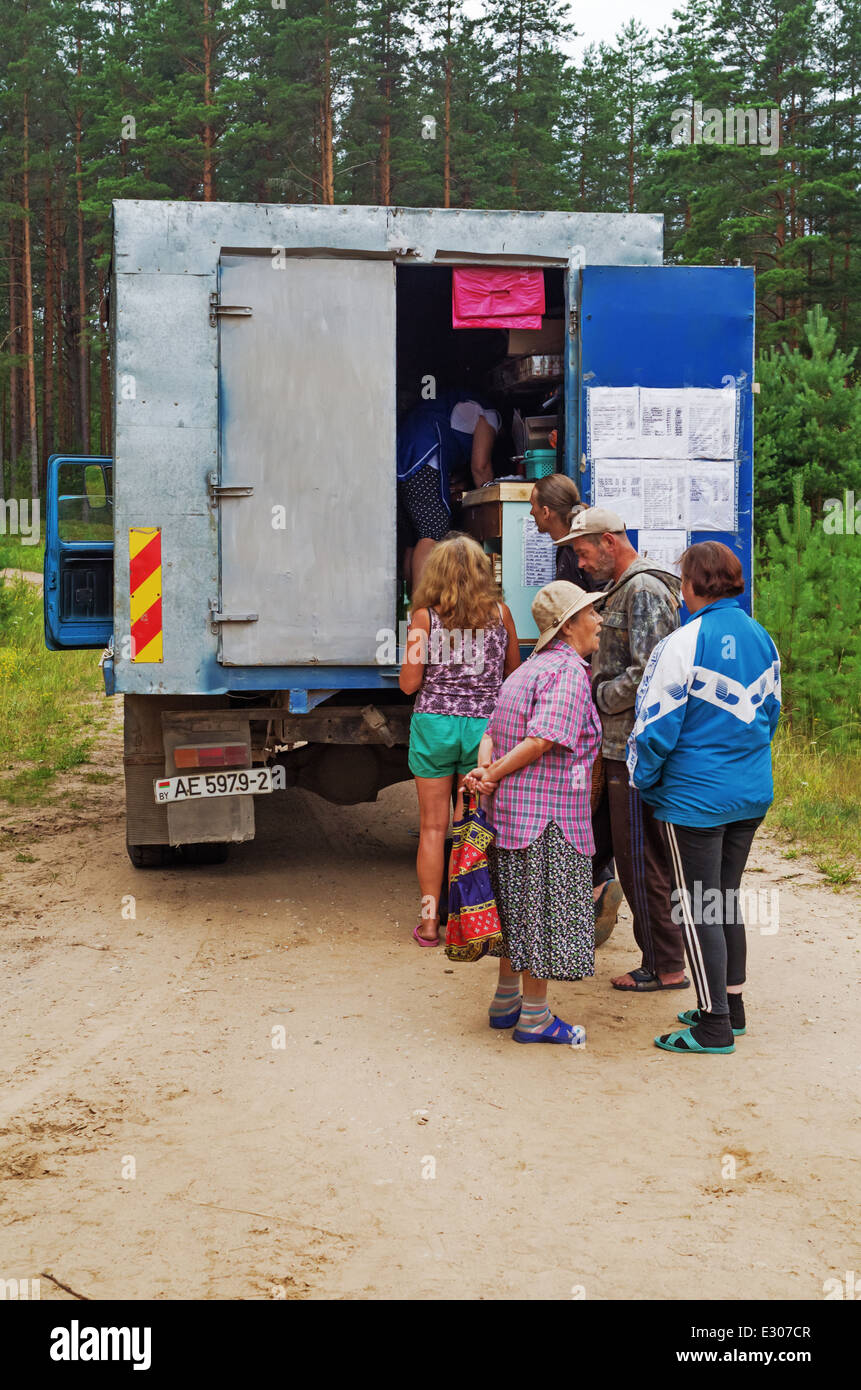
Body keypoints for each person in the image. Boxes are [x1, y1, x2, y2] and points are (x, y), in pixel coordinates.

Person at [627, 541, 781, 1054]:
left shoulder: (679, 643)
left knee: (698, 907)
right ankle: (730, 1008)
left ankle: (713, 1026)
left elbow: (654, 729)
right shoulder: (763, 639)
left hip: (695, 798)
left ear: (691, 585)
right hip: (750, 792)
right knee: (724, 897)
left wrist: (644, 780)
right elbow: (771, 715)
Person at [464, 581, 603, 1045]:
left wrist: (487, 770)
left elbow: (490, 731)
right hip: (548, 819)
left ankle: (506, 1001)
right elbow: (542, 739)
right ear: (567, 626)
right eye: (591, 613)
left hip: (512, 818)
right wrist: (493, 774)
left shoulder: (526, 670)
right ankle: (536, 1017)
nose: (599, 620)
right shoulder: (566, 672)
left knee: (518, 912)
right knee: (539, 916)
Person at [561, 507, 689, 994]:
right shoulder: (624, 589)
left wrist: (599, 696)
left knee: (640, 858)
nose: (579, 561)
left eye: (583, 549)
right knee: (594, 847)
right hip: (614, 746)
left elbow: (653, 672)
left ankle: (666, 963)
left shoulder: (644, 590)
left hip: (635, 748)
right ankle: (559, 939)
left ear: (611, 542)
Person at [399, 534, 520, 947]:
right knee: (469, 826)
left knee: (432, 829)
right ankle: (468, 922)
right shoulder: (501, 614)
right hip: (483, 731)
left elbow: (408, 684)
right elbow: (512, 677)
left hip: (434, 726)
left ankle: (430, 922)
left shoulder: (423, 619)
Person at [530, 474, 622, 942]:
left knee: (581, 790)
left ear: (549, 511)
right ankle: (598, 879)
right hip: (592, 674)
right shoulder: (582, 546)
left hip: (587, 675)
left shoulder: (569, 555)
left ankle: (590, 885)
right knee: (594, 788)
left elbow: (574, 616)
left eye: (533, 507)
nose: (530, 516)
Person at [397, 390, 501, 591]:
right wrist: (488, 498)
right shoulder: (490, 415)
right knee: (433, 532)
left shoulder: (457, 403)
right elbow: (480, 467)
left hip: (405, 455)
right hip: (424, 452)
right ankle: (423, 610)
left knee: (414, 536)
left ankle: (411, 607)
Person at [529, 473, 597, 591]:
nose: (531, 512)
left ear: (546, 512)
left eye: (532, 505)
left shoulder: (582, 547)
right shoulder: (565, 547)